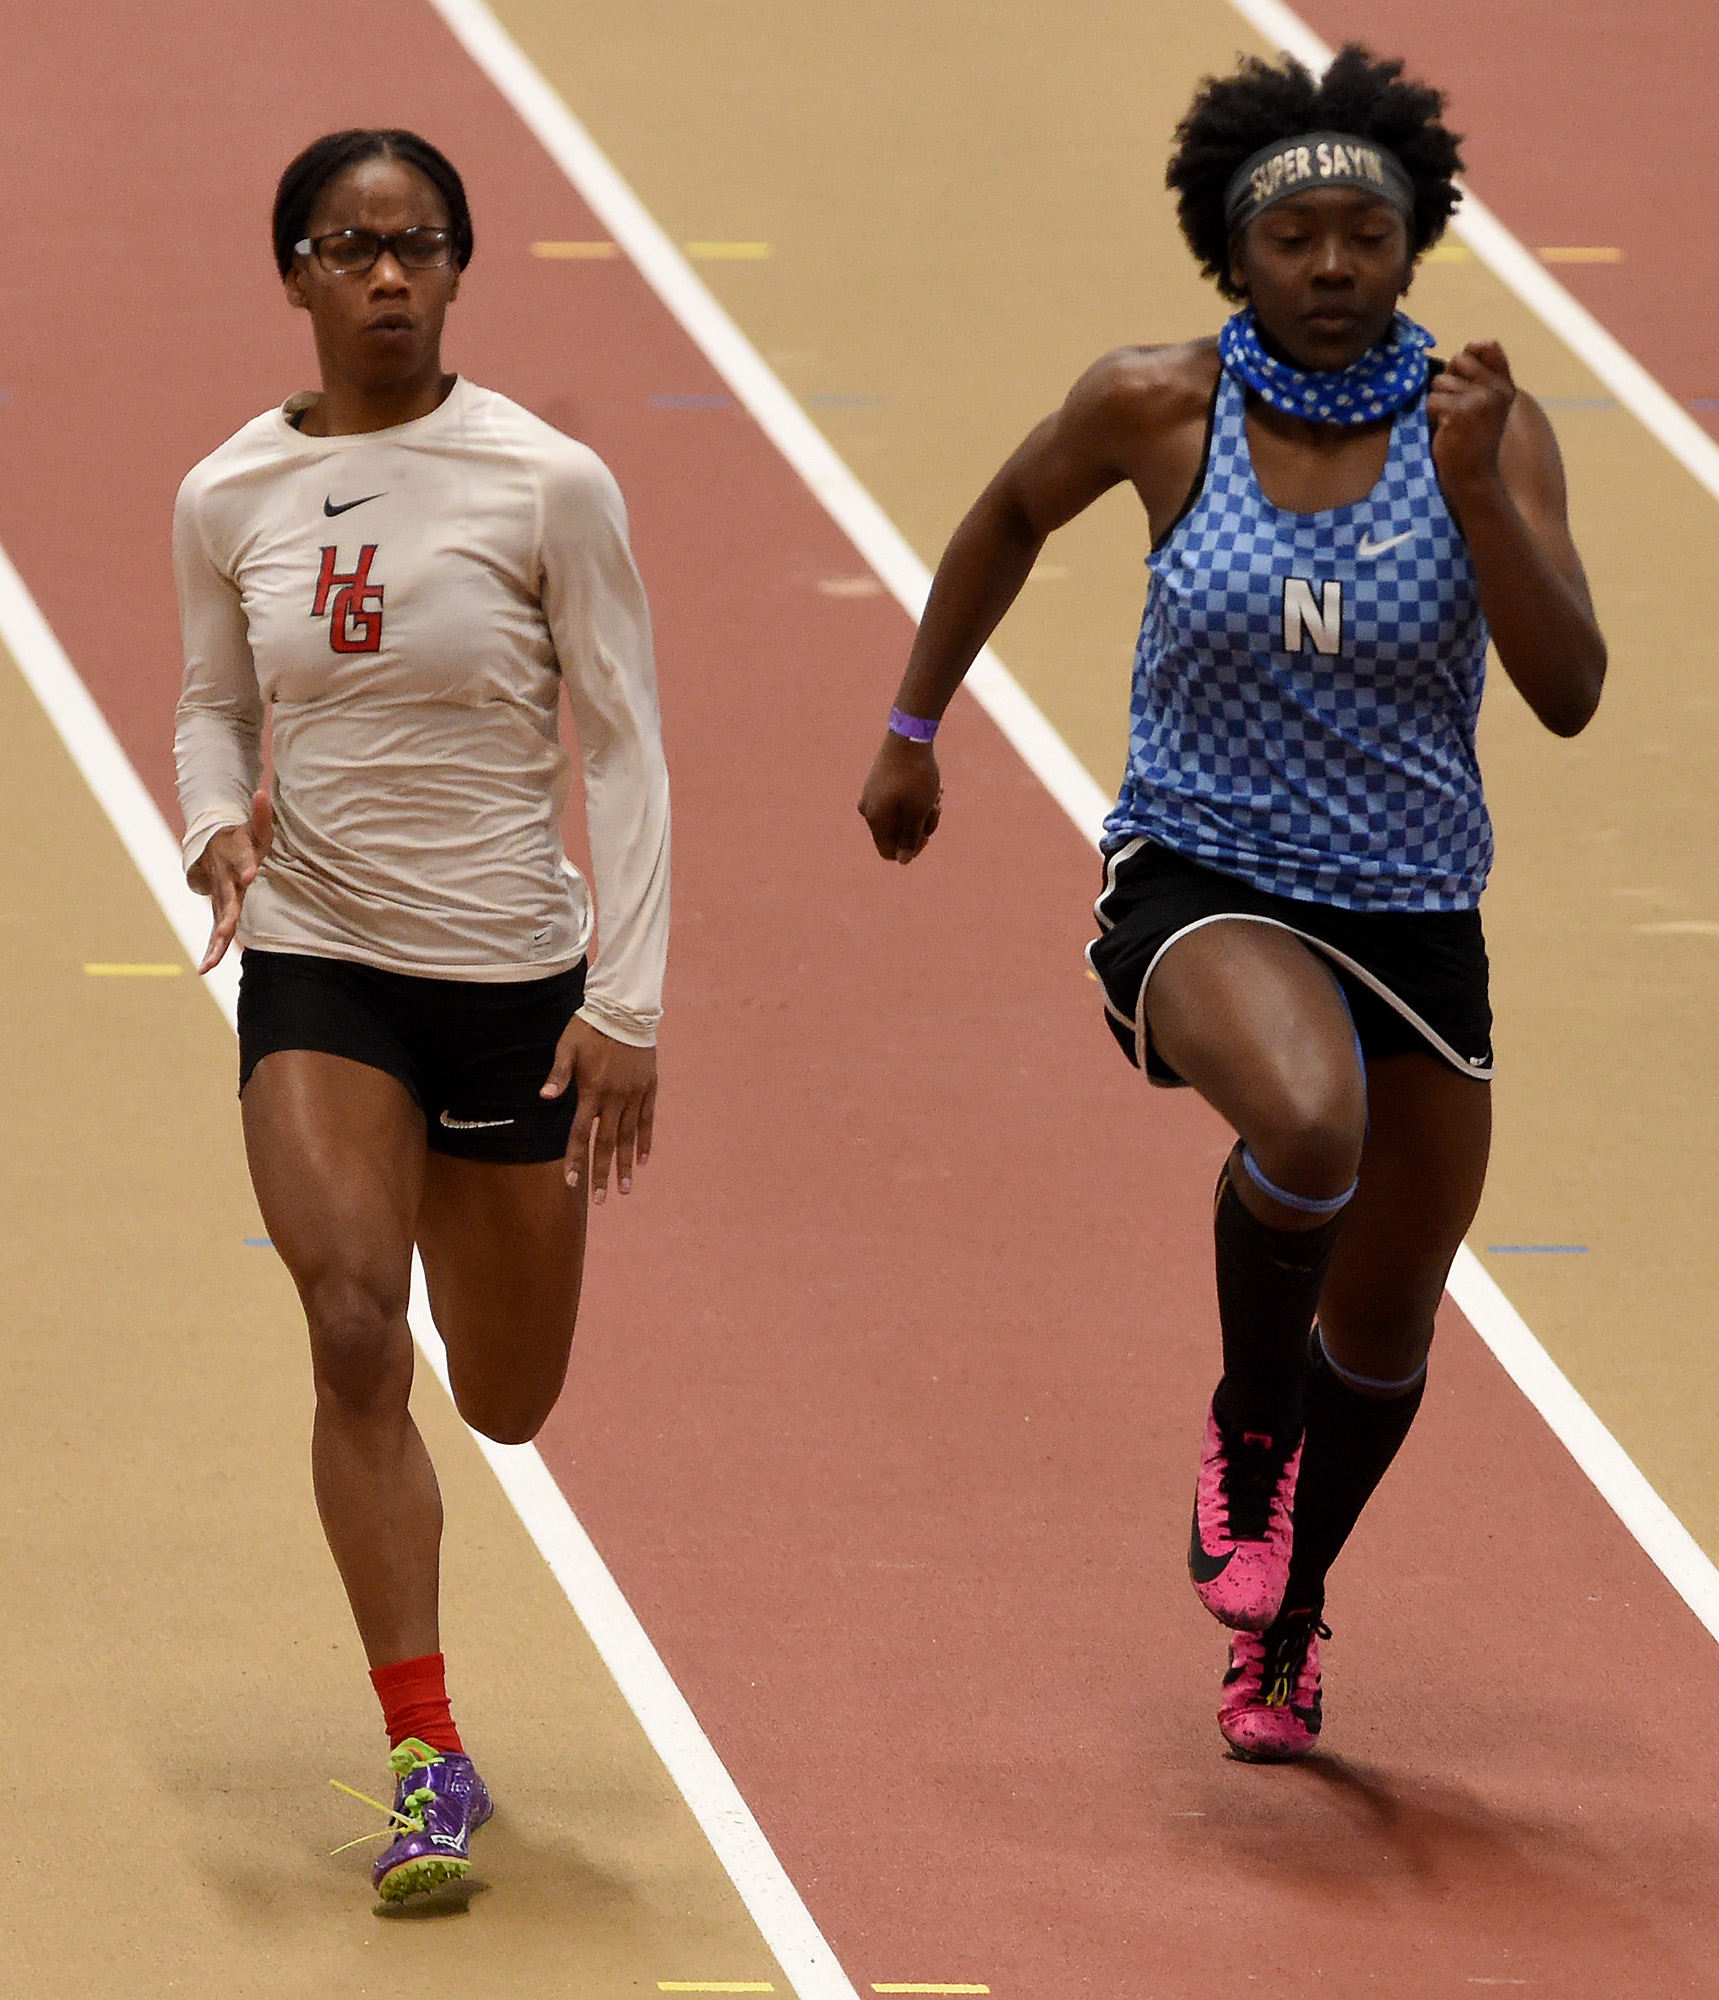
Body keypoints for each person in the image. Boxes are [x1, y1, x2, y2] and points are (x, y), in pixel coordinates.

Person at [859, 46, 1603, 1760]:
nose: (1333, 264)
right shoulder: (1154, 405)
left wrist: (1483, 491)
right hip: (1201, 873)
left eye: (1369, 232)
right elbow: (1000, 517)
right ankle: (1245, 1439)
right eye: (1297, 238)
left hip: (1417, 907)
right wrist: (912, 729)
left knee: (1393, 1316)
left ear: (1417, 243)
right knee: (1308, 1118)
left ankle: (1293, 1613)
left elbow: (1567, 689)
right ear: (1233, 248)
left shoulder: (1485, 429)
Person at [174, 128, 669, 1893]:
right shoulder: (226, 493)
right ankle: (425, 1750)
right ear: (296, 272)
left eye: (420, 246)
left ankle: (432, 1711)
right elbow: (211, 705)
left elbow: (623, 747)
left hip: (516, 988)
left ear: (459, 269)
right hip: (319, 957)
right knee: (353, 1324)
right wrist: (214, 820)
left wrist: (628, 1000)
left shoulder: (548, 482)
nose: (387, 276)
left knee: (514, 1395)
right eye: (350, 246)